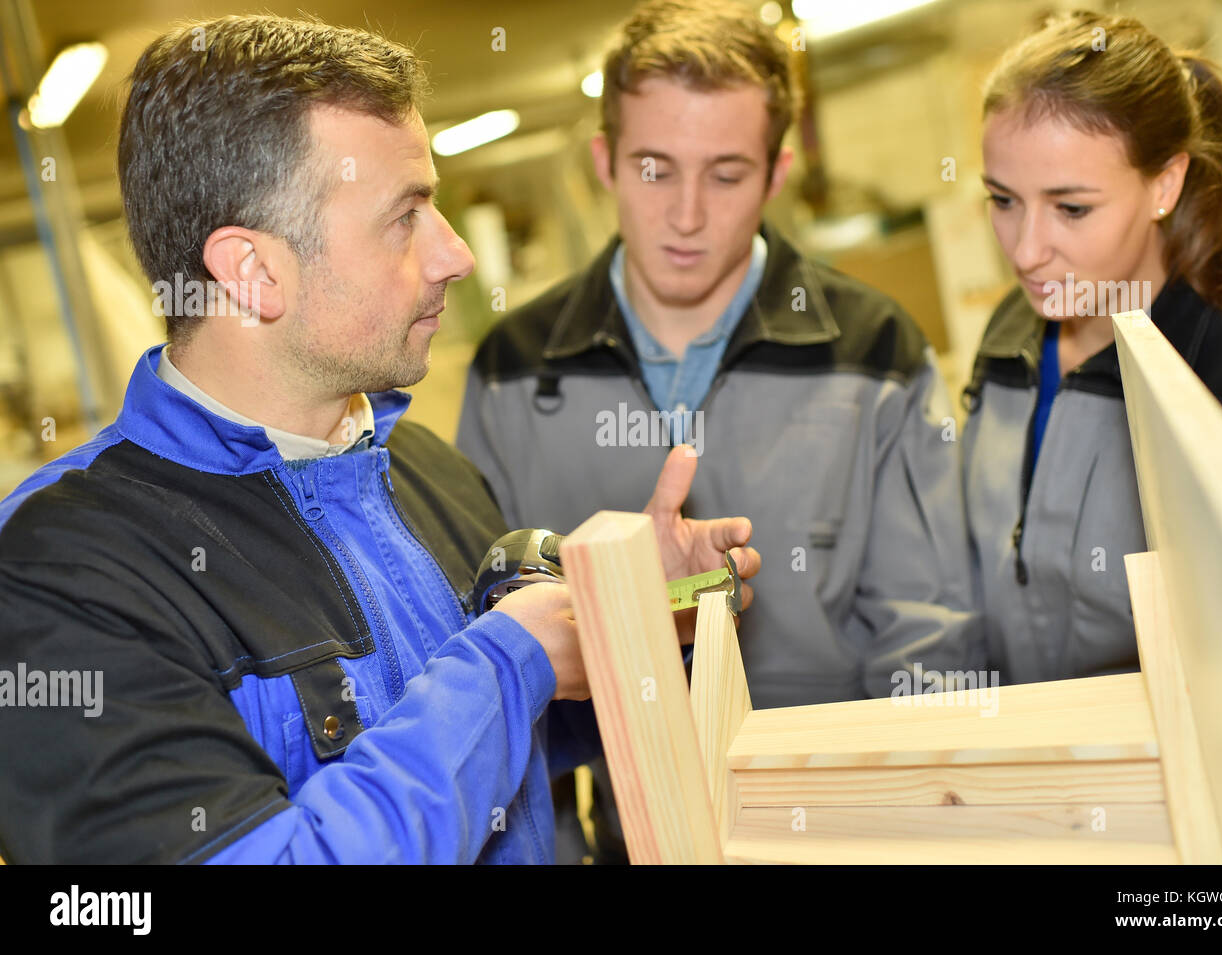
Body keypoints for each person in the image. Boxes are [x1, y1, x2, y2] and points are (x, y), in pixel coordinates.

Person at [0, 14, 756, 865]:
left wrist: (628, 618)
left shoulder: (422, 469)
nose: (456, 255)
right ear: (252, 271)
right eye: (406, 218)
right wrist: (509, 659)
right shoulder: (61, 571)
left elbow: (519, 766)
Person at [457, 0, 980, 860]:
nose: (689, 215)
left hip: (844, 832)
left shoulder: (877, 351)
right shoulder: (513, 366)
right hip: (624, 835)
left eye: (727, 174)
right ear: (605, 162)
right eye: (656, 169)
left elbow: (928, 639)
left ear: (777, 174)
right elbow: (485, 626)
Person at [963, 10, 1222, 686]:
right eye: (1003, 200)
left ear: (1165, 184)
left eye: (1073, 208)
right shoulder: (1010, 329)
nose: (1026, 252)